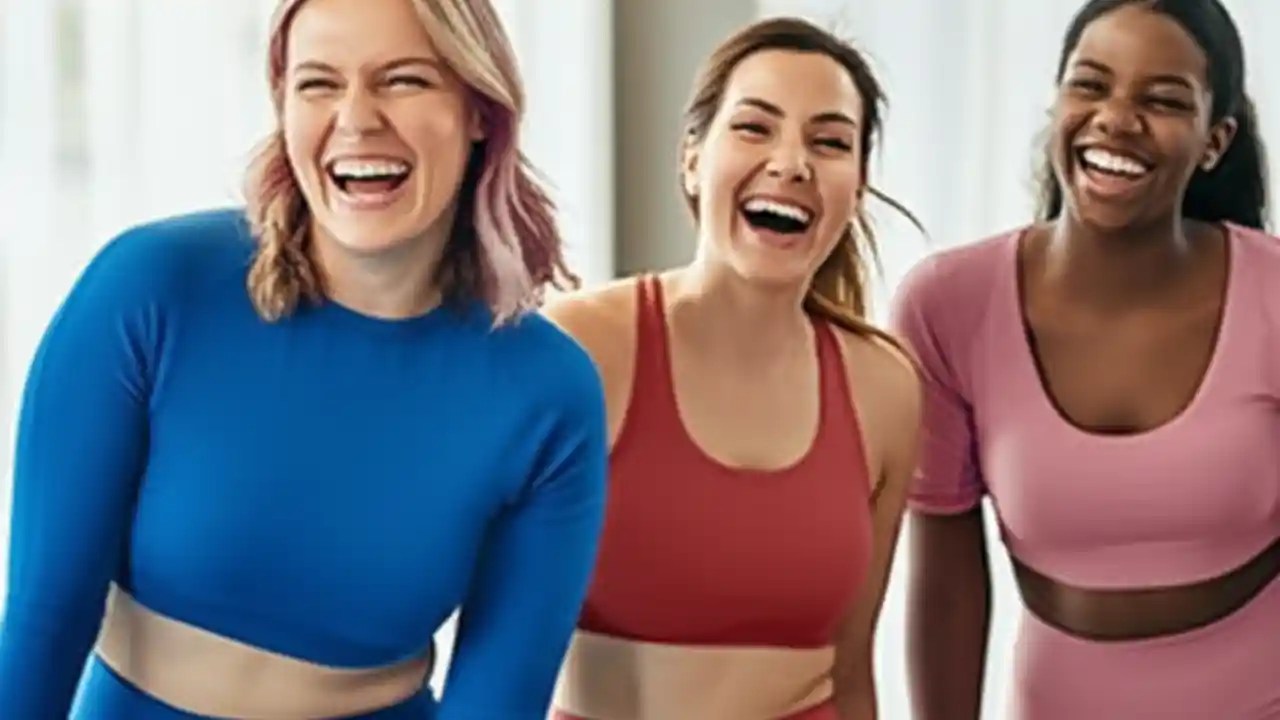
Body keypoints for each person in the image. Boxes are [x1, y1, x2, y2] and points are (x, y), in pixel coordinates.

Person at [0, 0, 607, 717]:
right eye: (319, 84)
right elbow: (42, 623)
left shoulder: (549, 394)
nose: (356, 119)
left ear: (481, 111)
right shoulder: (150, 289)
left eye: (403, 81)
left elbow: (498, 701)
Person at [894, 1, 1278, 718]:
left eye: (1163, 100)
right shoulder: (946, 305)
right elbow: (946, 576)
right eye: (1090, 85)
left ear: (1214, 141)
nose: (1116, 119)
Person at [544, 17, 921, 720]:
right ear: (692, 157)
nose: (792, 162)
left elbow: (853, 664)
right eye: (755, 127)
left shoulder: (886, 387)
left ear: (858, 186)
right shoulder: (582, 347)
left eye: (830, 141)